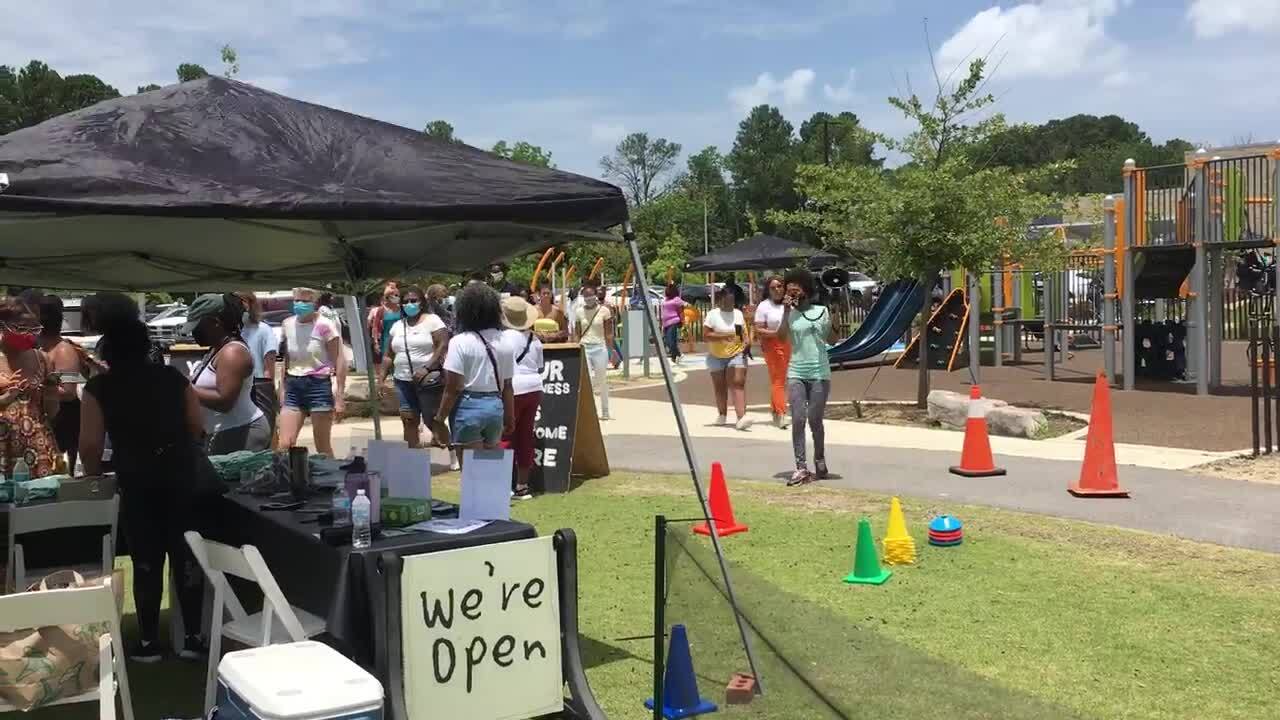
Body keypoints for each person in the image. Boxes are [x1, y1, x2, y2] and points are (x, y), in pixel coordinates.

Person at [79, 316, 207, 662]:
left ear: (108, 349)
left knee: (146, 558)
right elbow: (196, 425)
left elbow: (90, 445)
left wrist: (93, 476)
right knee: (185, 555)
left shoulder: (99, 387)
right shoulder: (173, 377)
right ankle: (192, 637)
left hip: (136, 477)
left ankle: (149, 641)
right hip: (179, 473)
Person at [429, 284, 514, 456]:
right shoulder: (505, 341)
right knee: (490, 465)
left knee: (470, 468)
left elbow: (453, 388)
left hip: (467, 408)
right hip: (495, 407)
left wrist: (439, 419)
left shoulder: (460, 341)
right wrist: (510, 417)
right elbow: (508, 386)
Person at [184, 294, 270, 454]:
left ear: (215, 323)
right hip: (225, 432)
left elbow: (224, 401)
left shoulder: (233, 352)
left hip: (240, 431)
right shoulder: (218, 349)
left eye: (197, 326)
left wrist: (184, 387)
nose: (194, 333)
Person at [777, 268, 836, 485]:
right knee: (798, 418)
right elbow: (781, 337)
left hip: (820, 372)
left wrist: (834, 317)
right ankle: (801, 467)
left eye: (797, 288)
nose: (792, 292)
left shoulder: (821, 311)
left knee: (815, 419)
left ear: (806, 290)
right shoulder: (789, 314)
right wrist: (785, 311)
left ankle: (819, 459)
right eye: (789, 288)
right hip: (796, 371)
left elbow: (832, 340)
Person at [35, 295, 101, 471]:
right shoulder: (41, 348)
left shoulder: (63, 350)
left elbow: (68, 391)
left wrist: (34, 388)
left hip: (63, 422)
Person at [278, 287, 346, 456]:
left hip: (318, 385)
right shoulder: (287, 324)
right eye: (297, 300)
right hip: (293, 384)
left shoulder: (325, 325)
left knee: (322, 446)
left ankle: (329, 472)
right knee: (285, 444)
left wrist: (339, 396)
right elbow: (286, 358)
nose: (300, 304)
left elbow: (339, 359)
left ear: (314, 302)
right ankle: (291, 472)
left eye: (305, 301)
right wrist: (282, 388)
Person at [383, 285, 450, 449]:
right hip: (402, 380)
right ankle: (413, 456)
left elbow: (443, 344)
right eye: (406, 301)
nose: (409, 304)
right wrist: (381, 379)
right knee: (408, 419)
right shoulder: (397, 326)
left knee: (432, 419)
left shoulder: (432, 320)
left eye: (413, 300)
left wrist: (427, 368)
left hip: (428, 380)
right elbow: (388, 355)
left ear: (422, 302)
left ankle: (452, 452)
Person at [0, 298, 61, 477]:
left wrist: (51, 390)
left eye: (33, 329)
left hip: (38, 448)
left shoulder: (42, 359)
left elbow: (52, 412)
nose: (28, 335)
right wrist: (5, 399)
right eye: (21, 328)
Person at [498, 296, 542, 500]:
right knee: (525, 436)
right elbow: (539, 366)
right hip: (534, 387)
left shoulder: (503, 338)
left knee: (505, 436)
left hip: (512, 389)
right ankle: (522, 486)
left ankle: (503, 485)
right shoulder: (535, 339)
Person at [703, 284, 751, 430]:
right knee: (720, 387)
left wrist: (746, 342)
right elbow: (706, 335)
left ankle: (741, 417)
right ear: (721, 299)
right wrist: (723, 336)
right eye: (726, 300)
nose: (728, 303)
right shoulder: (713, 314)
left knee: (737, 383)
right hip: (716, 355)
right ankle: (722, 414)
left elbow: (740, 333)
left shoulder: (738, 314)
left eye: (731, 301)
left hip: (736, 353)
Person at [234, 291, 280, 437]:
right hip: (237, 388)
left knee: (264, 432)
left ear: (251, 304)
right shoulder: (232, 331)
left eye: (242, 301)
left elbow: (269, 367)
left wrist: (267, 393)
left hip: (258, 386)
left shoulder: (263, 330)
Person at [754, 276, 791, 429]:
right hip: (773, 345)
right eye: (773, 288)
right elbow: (758, 329)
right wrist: (776, 333)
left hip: (790, 343)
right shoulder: (764, 306)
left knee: (782, 380)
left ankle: (776, 410)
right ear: (768, 290)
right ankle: (781, 413)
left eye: (779, 286)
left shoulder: (790, 304)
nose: (777, 290)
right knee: (778, 380)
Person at [573, 277, 612, 420]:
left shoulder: (604, 311)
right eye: (586, 296)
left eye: (591, 295)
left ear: (596, 295)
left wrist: (611, 351)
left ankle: (605, 410)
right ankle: (590, 411)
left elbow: (608, 333)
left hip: (600, 347)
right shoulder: (579, 312)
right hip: (584, 347)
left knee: (602, 379)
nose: (588, 298)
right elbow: (577, 333)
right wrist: (575, 348)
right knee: (588, 380)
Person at [366, 281, 401, 384]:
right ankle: (381, 385)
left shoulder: (402, 309)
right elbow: (375, 327)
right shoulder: (381, 310)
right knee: (386, 363)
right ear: (387, 297)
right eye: (394, 295)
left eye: (397, 295)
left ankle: (397, 383)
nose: (396, 297)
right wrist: (376, 342)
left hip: (400, 338)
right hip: (386, 339)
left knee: (399, 362)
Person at [660, 283, 688, 364]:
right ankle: (676, 355)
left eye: (668, 289)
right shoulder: (665, 299)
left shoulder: (676, 299)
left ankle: (676, 355)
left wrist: (683, 322)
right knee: (667, 341)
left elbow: (681, 311)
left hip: (673, 322)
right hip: (665, 323)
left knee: (671, 341)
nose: (666, 291)